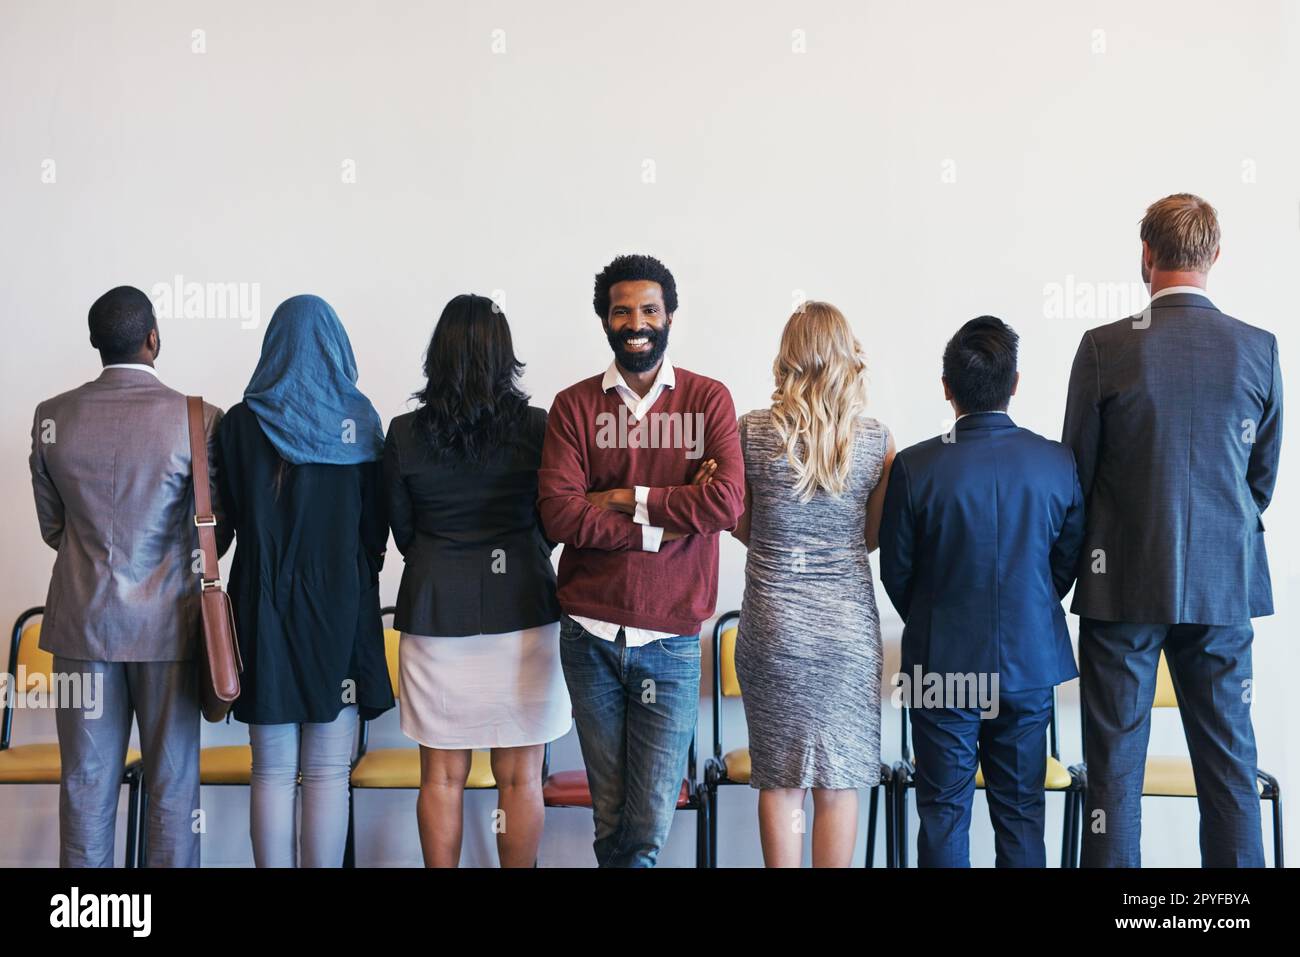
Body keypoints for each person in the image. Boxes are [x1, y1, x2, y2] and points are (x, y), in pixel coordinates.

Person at [1063, 194, 1283, 868]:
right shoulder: (1259, 349)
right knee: (1229, 775)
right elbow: (1260, 480)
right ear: (1215, 256)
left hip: (1120, 587)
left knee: (1113, 779)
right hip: (1222, 588)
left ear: (1146, 256)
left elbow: (1076, 478)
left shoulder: (1104, 348)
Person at [537, 254, 745, 867]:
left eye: (649, 310)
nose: (637, 323)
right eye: (622, 311)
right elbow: (560, 516)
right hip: (590, 631)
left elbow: (728, 502)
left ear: (670, 316)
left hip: (672, 636)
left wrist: (628, 499)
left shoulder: (708, 401)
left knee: (649, 821)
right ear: (604, 320)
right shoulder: (573, 407)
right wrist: (674, 519)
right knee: (611, 818)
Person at [29, 285, 230, 867]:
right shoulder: (198, 418)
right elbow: (212, 531)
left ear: (96, 344)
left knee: (86, 786)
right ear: (153, 338)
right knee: (172, 791)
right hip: (170, 629)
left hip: (82, 628)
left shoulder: (51, 418)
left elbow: (53, 528)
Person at [880, 316, 1085, 867]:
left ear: (946, 388)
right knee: (1021, 815)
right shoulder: (1057, 463)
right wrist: (1029, 607)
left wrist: (935, 615)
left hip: (941, 666)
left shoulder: (915, 467)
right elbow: (1064, 566)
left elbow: (897, 573)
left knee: (943, 813)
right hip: (1027, 662)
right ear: (1015, 382)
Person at [384, 294, 571, 867]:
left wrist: (445, 560)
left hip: (437, 616)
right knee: (521, 780)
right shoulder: (539, 428)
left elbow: (403, 532)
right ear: (504, 355)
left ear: (437, 354)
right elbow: (555, 520)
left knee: (441, 777)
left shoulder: (405, 433)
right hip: (524, 614)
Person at [215, 294, 393, 868]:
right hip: (340, 605)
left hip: (260, 602)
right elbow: (375, 532)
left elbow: (231, 518)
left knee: (268, 767)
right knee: (327, 771)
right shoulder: (360, 421)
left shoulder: (241, 424)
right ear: (337, 345)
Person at [730, 301, 894, 867]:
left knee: (780, 779)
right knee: (839, 778)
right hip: (847, 632)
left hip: (774, 630)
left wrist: (780, 543)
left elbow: (738, 520)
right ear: (849, 358)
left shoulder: (749, 433)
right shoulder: (875, 441)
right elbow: (870, 536)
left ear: (787, 358)